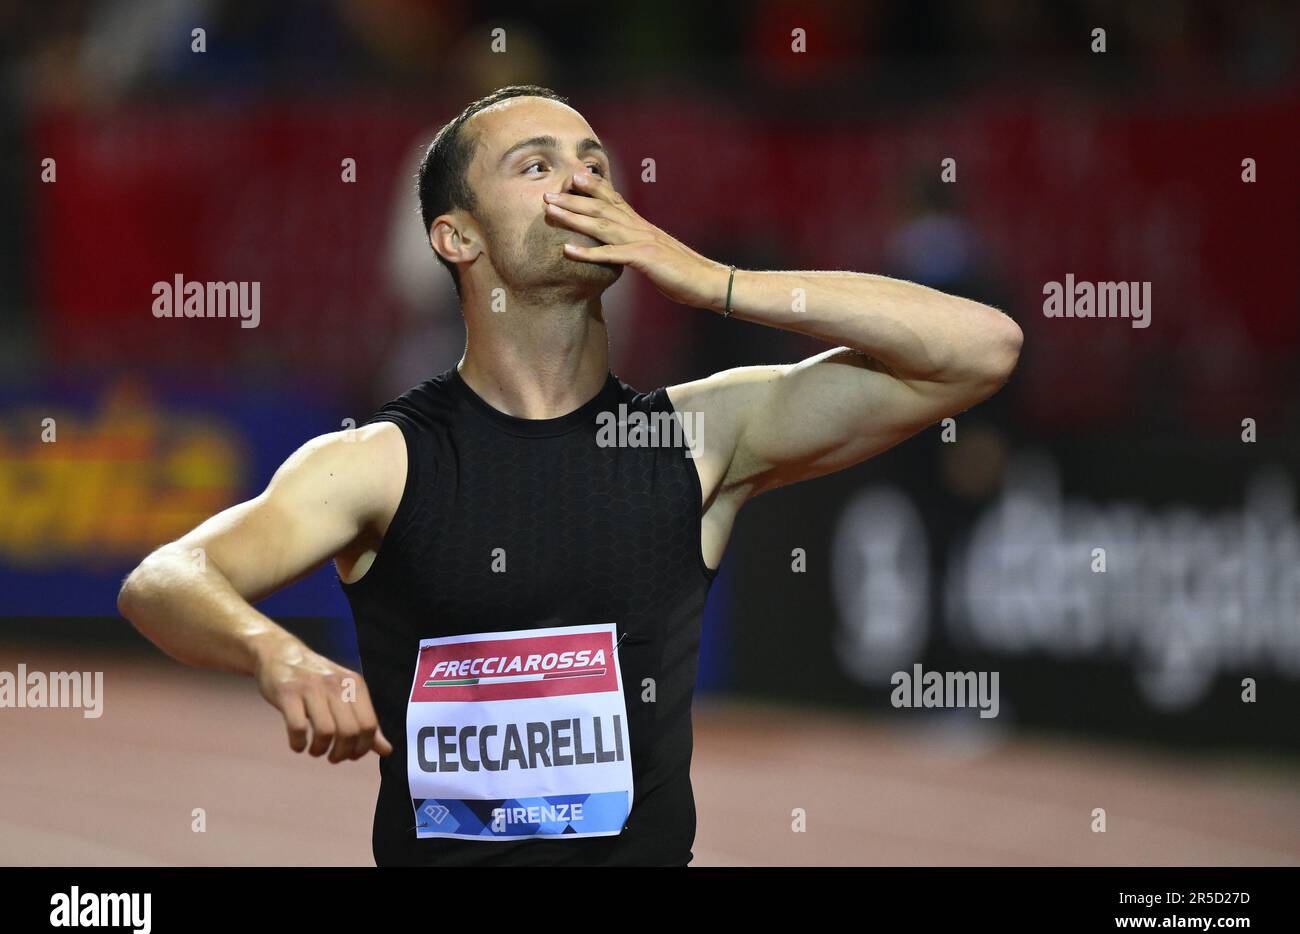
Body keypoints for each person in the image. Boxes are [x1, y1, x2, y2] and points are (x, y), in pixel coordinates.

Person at [117, 85, 1022, 866]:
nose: (582, 181)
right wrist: (273, 655)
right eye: (536, 165)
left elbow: (981, 350)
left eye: (595, 162)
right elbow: (163, 581)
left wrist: (717, 283)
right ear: (457, 237)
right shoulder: (381, 464)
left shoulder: (697, 438)